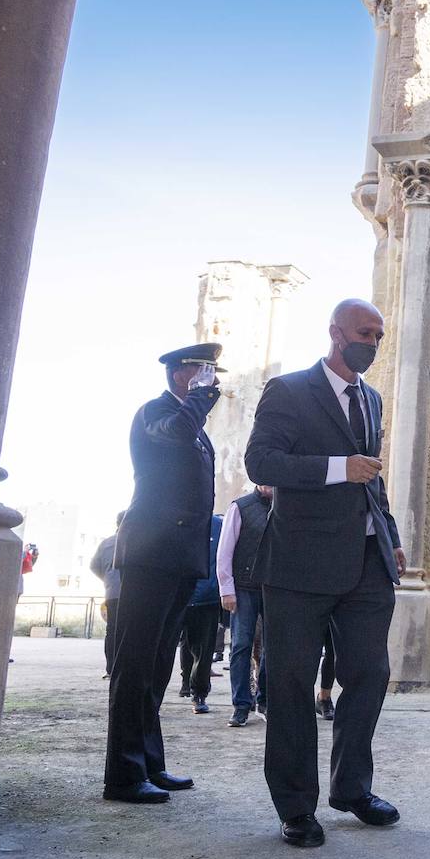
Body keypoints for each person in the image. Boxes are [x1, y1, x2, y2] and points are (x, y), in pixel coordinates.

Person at [245, 298, 407, 848]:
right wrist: (339, 468)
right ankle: (295, 807)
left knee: (370, 674)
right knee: (290, 683)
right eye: (366, 333)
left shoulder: (373, 400)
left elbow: (374, 478)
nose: (374, 343)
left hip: (365, 564)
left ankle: (352, 789)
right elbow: (261, 463)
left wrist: (391, 537)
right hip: (299, 563)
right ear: (336, 332)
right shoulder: (289, 390)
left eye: (380, 336)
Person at [103, 342, 223, 805]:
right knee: (133, 667)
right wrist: (199, 398)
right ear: (180, 373)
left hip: (178, 557)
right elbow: (174, 436)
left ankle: (150, 764)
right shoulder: (156, 412)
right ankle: (123, 776)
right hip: (150, 553)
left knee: (156, 668)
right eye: (202, 370)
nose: (211, 378)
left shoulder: (194, 423)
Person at [216, 485, 273, 728]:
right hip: (244, 587)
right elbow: (224, 551)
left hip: (273, 587)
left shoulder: (286, 506)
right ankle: (240, 704)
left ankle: (264, 700)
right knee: (241, 645)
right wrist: (226, 589)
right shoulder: (240, 507)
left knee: (273, 647)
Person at [177, 514, 224, 714]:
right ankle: (183, 683)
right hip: (177, 596)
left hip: (208, 596)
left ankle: (199, 693)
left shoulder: (218, 526)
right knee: (176, 645)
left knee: (203, 650)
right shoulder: (175, 520)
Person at [89, 513, 124, 678]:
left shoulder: (107, 543)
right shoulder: (137, 540)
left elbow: (94, 566)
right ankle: (124, 667)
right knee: (130, 631)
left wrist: (108, 579)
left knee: (112, 631)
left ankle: (111, 669)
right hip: (132, 592)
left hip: (112, 592)